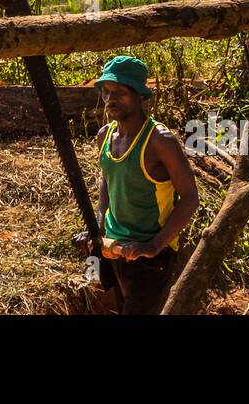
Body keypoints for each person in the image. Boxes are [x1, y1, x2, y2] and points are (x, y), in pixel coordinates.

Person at [75, 55, 200, 314]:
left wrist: (155, 245)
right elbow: (107, 183)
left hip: (149, 254)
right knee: (120, 304)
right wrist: (96, 228)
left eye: (119, 92)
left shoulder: (159, 141)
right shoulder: (104, 136)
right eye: (107, 92)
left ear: (139, 95)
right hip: (114, 247)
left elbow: (190, 198)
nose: (110, 99)